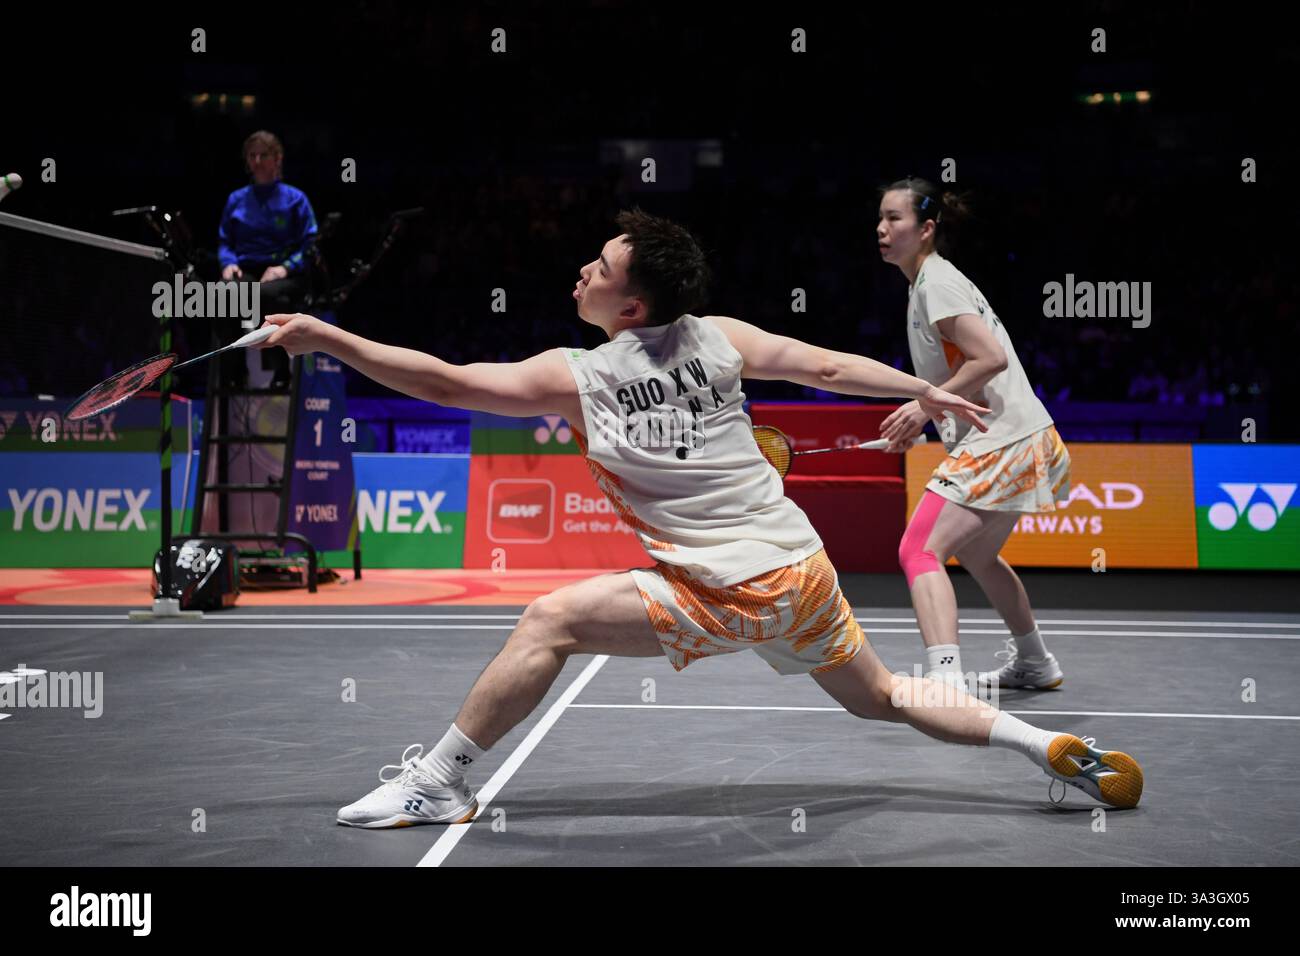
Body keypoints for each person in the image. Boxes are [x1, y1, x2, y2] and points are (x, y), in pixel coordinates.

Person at [255, 208, 1143, 829]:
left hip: (729, 583)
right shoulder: (720, 337)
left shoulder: (580, 375)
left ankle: (437, 782)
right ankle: (1048, 744)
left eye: (598, 269)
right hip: (805, 570)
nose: (582, 272)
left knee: (549, 620)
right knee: (882, 699)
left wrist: (329, 337)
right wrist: (922, 388)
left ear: (630, 306)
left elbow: (444, 382)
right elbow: (826, 367)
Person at [876, 178, 1069, 691]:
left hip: (1004, 441)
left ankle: (944, 679)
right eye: (880, 218)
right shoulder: (927, 284)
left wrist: (921, 406)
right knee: (979, 555)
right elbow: (965, 371)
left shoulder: (937, 283)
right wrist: (928, 416)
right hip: (1024, 436)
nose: (882, 228)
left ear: (927, 229)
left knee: (917, 550)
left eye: (895, 218)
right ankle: (1035, 662)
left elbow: (991, 358)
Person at [217, 130, 318, 386]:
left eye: (263, 155)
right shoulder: (236, 199)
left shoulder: (295, 199)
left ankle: (280, 371)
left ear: (277, 159)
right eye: (252, 156)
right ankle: (234, 372)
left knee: (261, 294)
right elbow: (225, 242)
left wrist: (284, 268)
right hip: (247, 270)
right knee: (224, 294)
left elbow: (310, 246)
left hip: (286, 274)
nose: (257, 160)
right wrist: (228, 263)